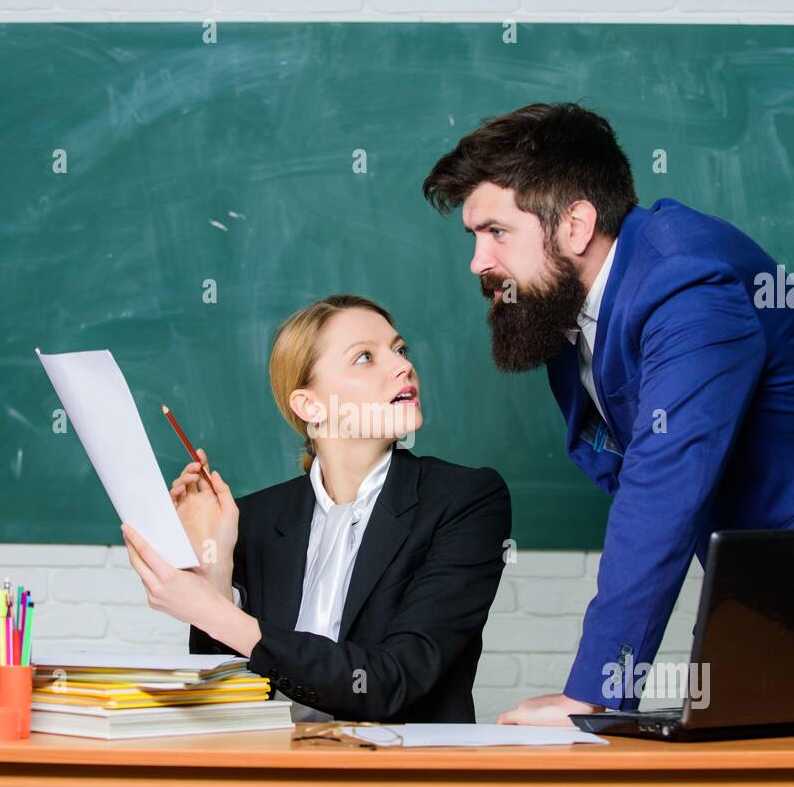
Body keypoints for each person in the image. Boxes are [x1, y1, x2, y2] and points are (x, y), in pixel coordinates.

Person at [420, 101, 794, 725]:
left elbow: (663, 483)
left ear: (575, 225)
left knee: (791, 779)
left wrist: (594, 693)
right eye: (474, 237)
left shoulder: (686, 281)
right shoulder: (564, 307)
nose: (478, 262)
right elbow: (624, 462)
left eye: (496, 232)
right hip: (753, 570)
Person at [121, 294, 512, 723]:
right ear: (310, 406)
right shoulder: (251, 521)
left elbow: (393, 679)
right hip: (273, 773)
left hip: (397, 779)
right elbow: (226, 701)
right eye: (365, 357)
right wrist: (215, 574)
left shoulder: (464, 500)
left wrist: (212, 612)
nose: (403, 366)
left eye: (399, 350)